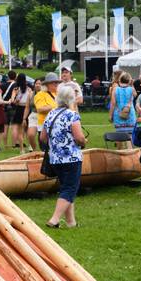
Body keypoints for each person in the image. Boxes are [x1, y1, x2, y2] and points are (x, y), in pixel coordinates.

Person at [40, 83, 86, 228]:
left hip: (55, 158)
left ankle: (71, 222)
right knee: (70, 189)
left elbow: (42, 137)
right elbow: (79, 138)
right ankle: (54, 219)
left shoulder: (51, 114)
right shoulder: (72, 115)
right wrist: (84, 141)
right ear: (71, 99)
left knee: (66, 187)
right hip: (71, 157)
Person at [108, 72, 136, 148]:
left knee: (119, 137)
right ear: (129, 81)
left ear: (120, 80)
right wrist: (132, 84)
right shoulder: (131, 89)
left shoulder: (115, 90)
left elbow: (113, 103)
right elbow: (135, 95)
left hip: (118, 114)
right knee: (130, 136)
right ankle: (131, 155)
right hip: (130, 114)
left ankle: (120, 155)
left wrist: (110, 115)